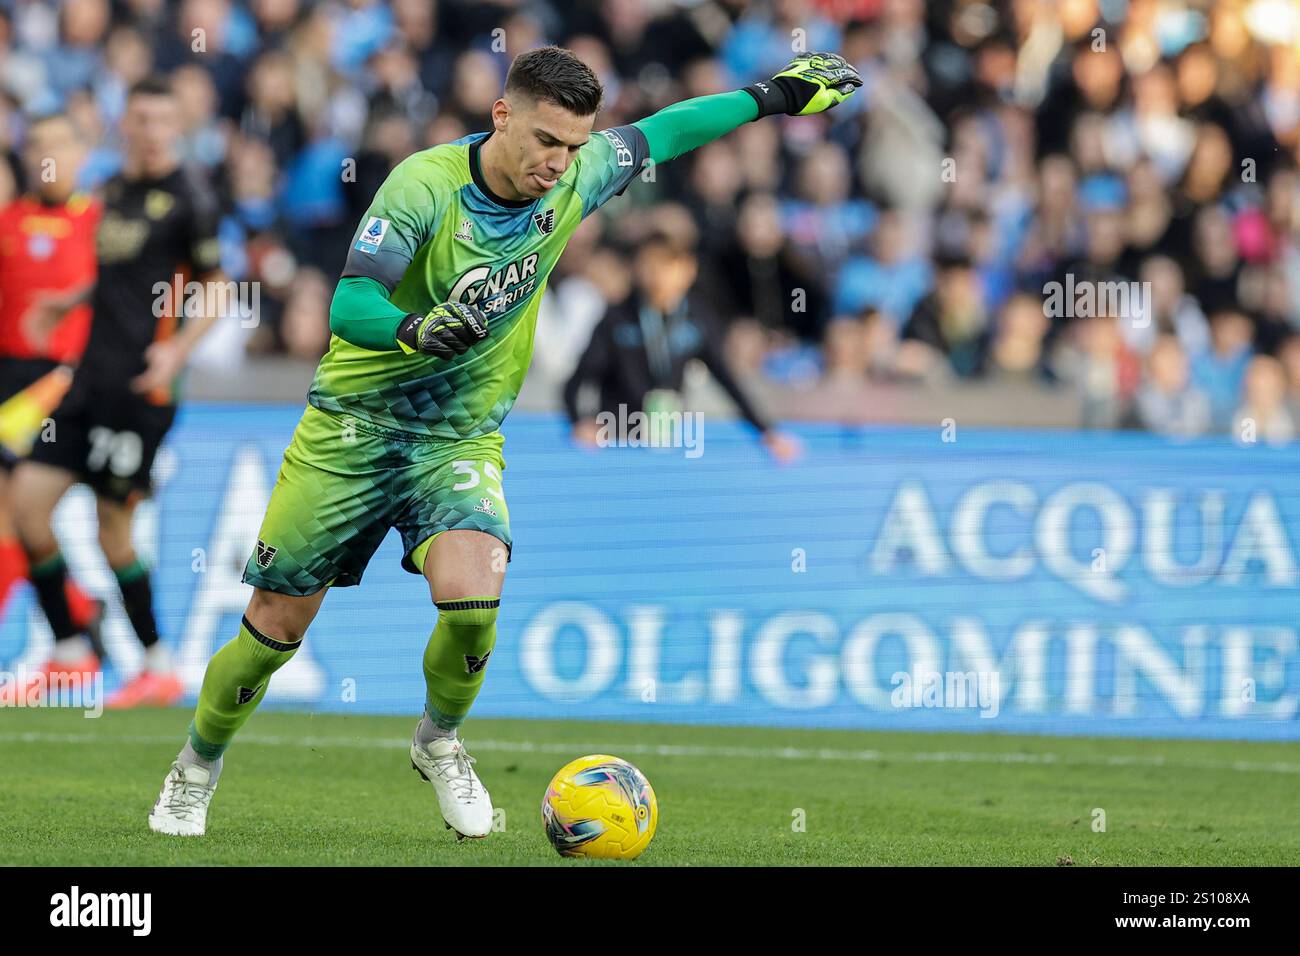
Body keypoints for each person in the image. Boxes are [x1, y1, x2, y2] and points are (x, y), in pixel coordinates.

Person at [146, 47, 860, 838]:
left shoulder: (583, 171)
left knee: (475, 603)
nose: (560, 163)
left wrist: (774, 95)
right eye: (546, 141)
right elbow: (349, 305)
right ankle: (197, 765)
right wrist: (415, 328)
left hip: (459, 437)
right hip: (353, 426)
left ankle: (439, 740)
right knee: (277, 624)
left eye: (575, 145)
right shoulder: (423, 185)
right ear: (502, 117)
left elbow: (668, 129)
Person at [10, 77, 225, 709]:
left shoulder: (191, 198)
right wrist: (66, 302)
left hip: (139, 390)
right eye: (141, 120)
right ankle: (72, 651)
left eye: (163, 120)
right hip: (86, 381)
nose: (152, 131)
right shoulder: (111, 192)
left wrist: (175, 350)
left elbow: (216, 284)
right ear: (124, 125)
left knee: (113, 529)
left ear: (177, 127)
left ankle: (158, 664)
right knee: (26, 508)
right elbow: (116, 278)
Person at [0, 113, 104, 668]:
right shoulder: (8, 220)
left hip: (61, 382)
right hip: (7, 377)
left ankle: (73, 629)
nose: (47, 157)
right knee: (17, 518)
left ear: (82, 154)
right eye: (37, 146)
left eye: (58, 145)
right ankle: (76, 620)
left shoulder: (102, 222)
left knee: (18, 512)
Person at [563, 232, 800, 462]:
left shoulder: (697, 318)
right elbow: (578, 380)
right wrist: (580, 422)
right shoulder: (618, 317)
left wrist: (767, 431)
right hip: (617, 442)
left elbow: (728, 380)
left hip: (668, 442)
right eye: (650, 265)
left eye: (667, 265)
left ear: (688, 269)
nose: (658, 275)